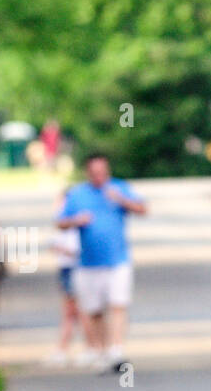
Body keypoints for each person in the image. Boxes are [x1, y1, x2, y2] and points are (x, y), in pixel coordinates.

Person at [57, 153, 147, 373]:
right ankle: (102, 349)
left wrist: (122, 200)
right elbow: (60, 222)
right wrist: (75, 221)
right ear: (88, 172)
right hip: (88, 263)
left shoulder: (119, 188)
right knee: (94, 310)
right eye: (95, 173)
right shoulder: (78, 194)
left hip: (117, 260)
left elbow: (143, 209)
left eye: (102, 172)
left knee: (118, 304)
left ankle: (117, 350)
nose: (99, 177)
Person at [46, 192, 83, 366]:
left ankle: (64, 349)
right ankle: (65, 348)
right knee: (73, 312)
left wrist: (60, 249)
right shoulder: (63, 223)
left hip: (72, 268)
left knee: (74, 312)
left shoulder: (74, 223)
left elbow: (76, 249)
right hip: (66, 268)